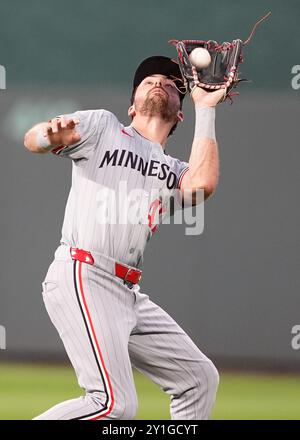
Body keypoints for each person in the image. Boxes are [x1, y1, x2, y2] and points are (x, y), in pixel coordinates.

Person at [24, 55, 224, 420]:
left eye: (169, 80)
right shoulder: (103, 127)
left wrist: (207, 107)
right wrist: (45, 135)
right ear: (131, 106)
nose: (159, 81)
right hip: (84, 273)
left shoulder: (173, 171)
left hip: (128, 294)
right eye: (148, 79)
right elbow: (33, 139)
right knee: (112, 405)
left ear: (180, 113)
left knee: (199, 379)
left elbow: (202, 184)